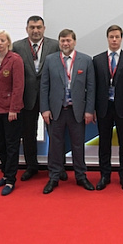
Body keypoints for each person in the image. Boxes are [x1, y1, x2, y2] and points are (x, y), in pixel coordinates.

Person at [40, 29, 96, 194]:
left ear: (74, 42)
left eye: (68, 40)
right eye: (63, 41)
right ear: (59, 42)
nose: (65, 43)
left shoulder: (86, 60)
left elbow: (91, 88)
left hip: (77, 111)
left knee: (78, 145)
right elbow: (44, 87)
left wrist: (89, 110)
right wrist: (44, 109)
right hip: (56, 111)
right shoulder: (50, 60)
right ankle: (54, 177)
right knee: (55, 146)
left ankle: (81, 176)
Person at [12, 16, 61, 181]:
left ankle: (57, 167)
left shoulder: (55, 45)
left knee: (54, 134)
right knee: (28, 134)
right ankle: (31, 166)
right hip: (27, 97)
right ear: (27, 29)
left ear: (44, 28)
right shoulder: (17, 46)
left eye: (39, 27)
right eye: (32, 27)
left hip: (50, 97)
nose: (35, 30)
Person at [93, 25, 123, 192]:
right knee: (104, 143)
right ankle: (104, 175)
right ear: (107, 38)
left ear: (121, 38)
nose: (114, 40)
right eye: (111, 37)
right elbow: (93, 87)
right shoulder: (97, 59)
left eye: (117, 37)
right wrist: (92, 109)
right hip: (103, 108)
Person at [0, 30, 25, 196]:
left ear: (8, 42)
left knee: (11, 146)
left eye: (3, 40)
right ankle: (4, 173)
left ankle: (10, 179)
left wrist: (13, 108)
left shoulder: (15, 59)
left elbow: (18, 86)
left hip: (10, 110)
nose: (0, 43)